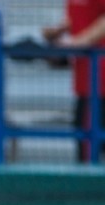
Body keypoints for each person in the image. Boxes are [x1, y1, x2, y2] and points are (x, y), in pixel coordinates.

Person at [43, 0, 105, 162]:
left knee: (92, 140)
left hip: (100, 78)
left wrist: (79, 41)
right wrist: (59, 30)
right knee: (84, 141)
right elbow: (78, 17)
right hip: (85, 83)